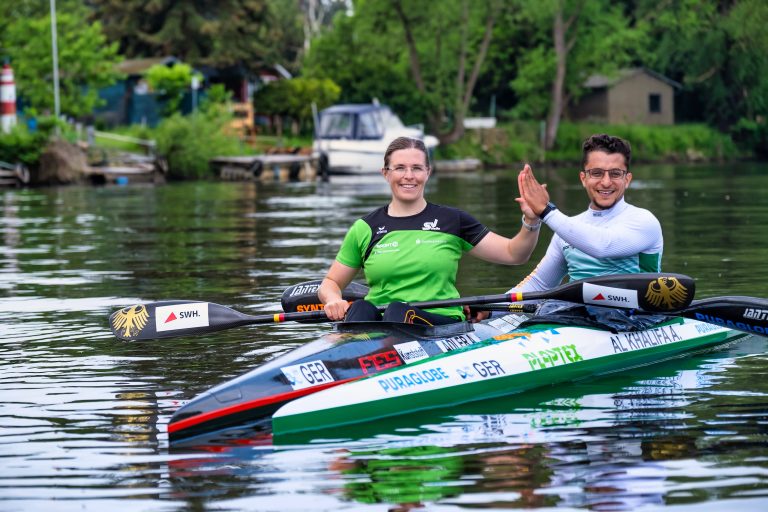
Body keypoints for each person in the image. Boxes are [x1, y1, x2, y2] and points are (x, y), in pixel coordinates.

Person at [319, 136, 542, 326]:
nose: (409, 176)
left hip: (440, 323)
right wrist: (332, 300)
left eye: (416, 168)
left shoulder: (453, 221)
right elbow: (330, 283)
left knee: (399, 311)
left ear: (428, 172)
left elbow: (514, 254)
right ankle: (348, 362)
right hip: (382, 324)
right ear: (385, 173)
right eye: (399, 168)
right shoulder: (365, 228)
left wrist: (531, 221)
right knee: (361, 308)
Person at [474, 133, 663, 325]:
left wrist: (546, 211)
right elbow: (539, 284)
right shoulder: (566, 230)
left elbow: (603, 246)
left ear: (627, 179)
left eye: (615, 174)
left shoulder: (644, 221)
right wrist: (489, 309)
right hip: (576, 316)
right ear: (583, 178)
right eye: (597, 173)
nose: (606, 182)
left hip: (636, 319)